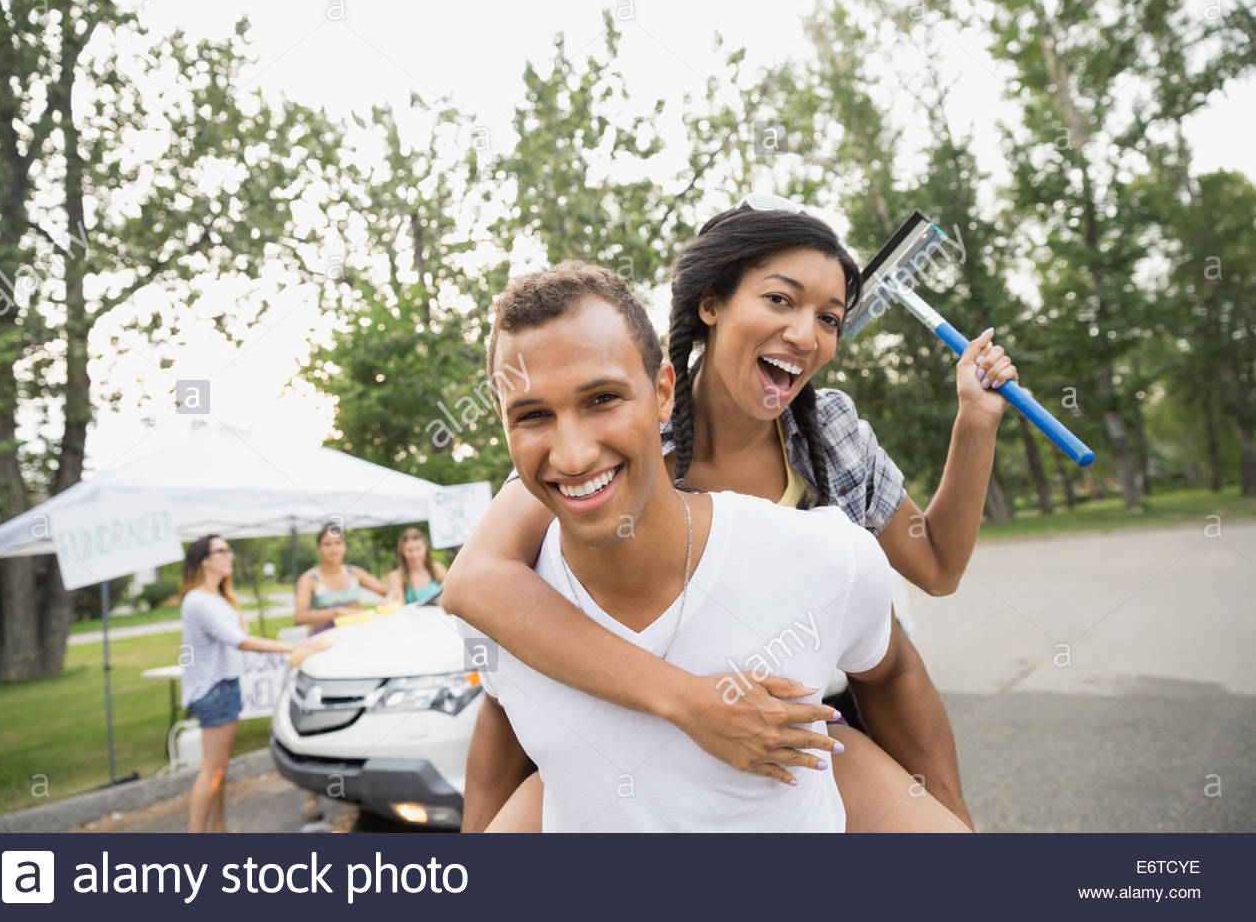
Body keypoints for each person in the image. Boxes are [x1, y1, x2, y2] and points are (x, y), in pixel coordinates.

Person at [444, 201, 1019, 831]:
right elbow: (478, 588)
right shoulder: (608, 439)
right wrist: (692, 703)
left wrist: (975, 425)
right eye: (780, 300)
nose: (806, 334)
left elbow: (934, 568)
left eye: (828, 317)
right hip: (618, 725)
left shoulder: (830, 435)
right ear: (710, 305)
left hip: (793, 731)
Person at [180, 534, 329, 833]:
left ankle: (219, 831)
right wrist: (295, 648)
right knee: (212, 770)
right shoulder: (197, 600)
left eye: (229, 549)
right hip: (214, 691)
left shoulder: (216, 597)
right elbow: (240, 641)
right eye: (222, 551)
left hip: (224, 688)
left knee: (219, 770)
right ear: (204, 560)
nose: (230, 555)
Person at [293, 522, 391, 634]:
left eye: (338, 543)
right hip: (324, 639)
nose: (334, 549)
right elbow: (299, 618)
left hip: (359, 633)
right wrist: (337, 612)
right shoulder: (308, 579)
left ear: (345, 546)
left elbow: (388, 592)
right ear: (318, 549)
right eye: (327, 544)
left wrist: (387, 600)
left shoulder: (354, 573)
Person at [386, 526, 449, 606]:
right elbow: (399, 604)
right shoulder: (396, 576)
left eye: (418, 549)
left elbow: (450, 596)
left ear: (425, 548)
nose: (415, 554)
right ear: (402, 552)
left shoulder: (437, 568)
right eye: (409, 550)